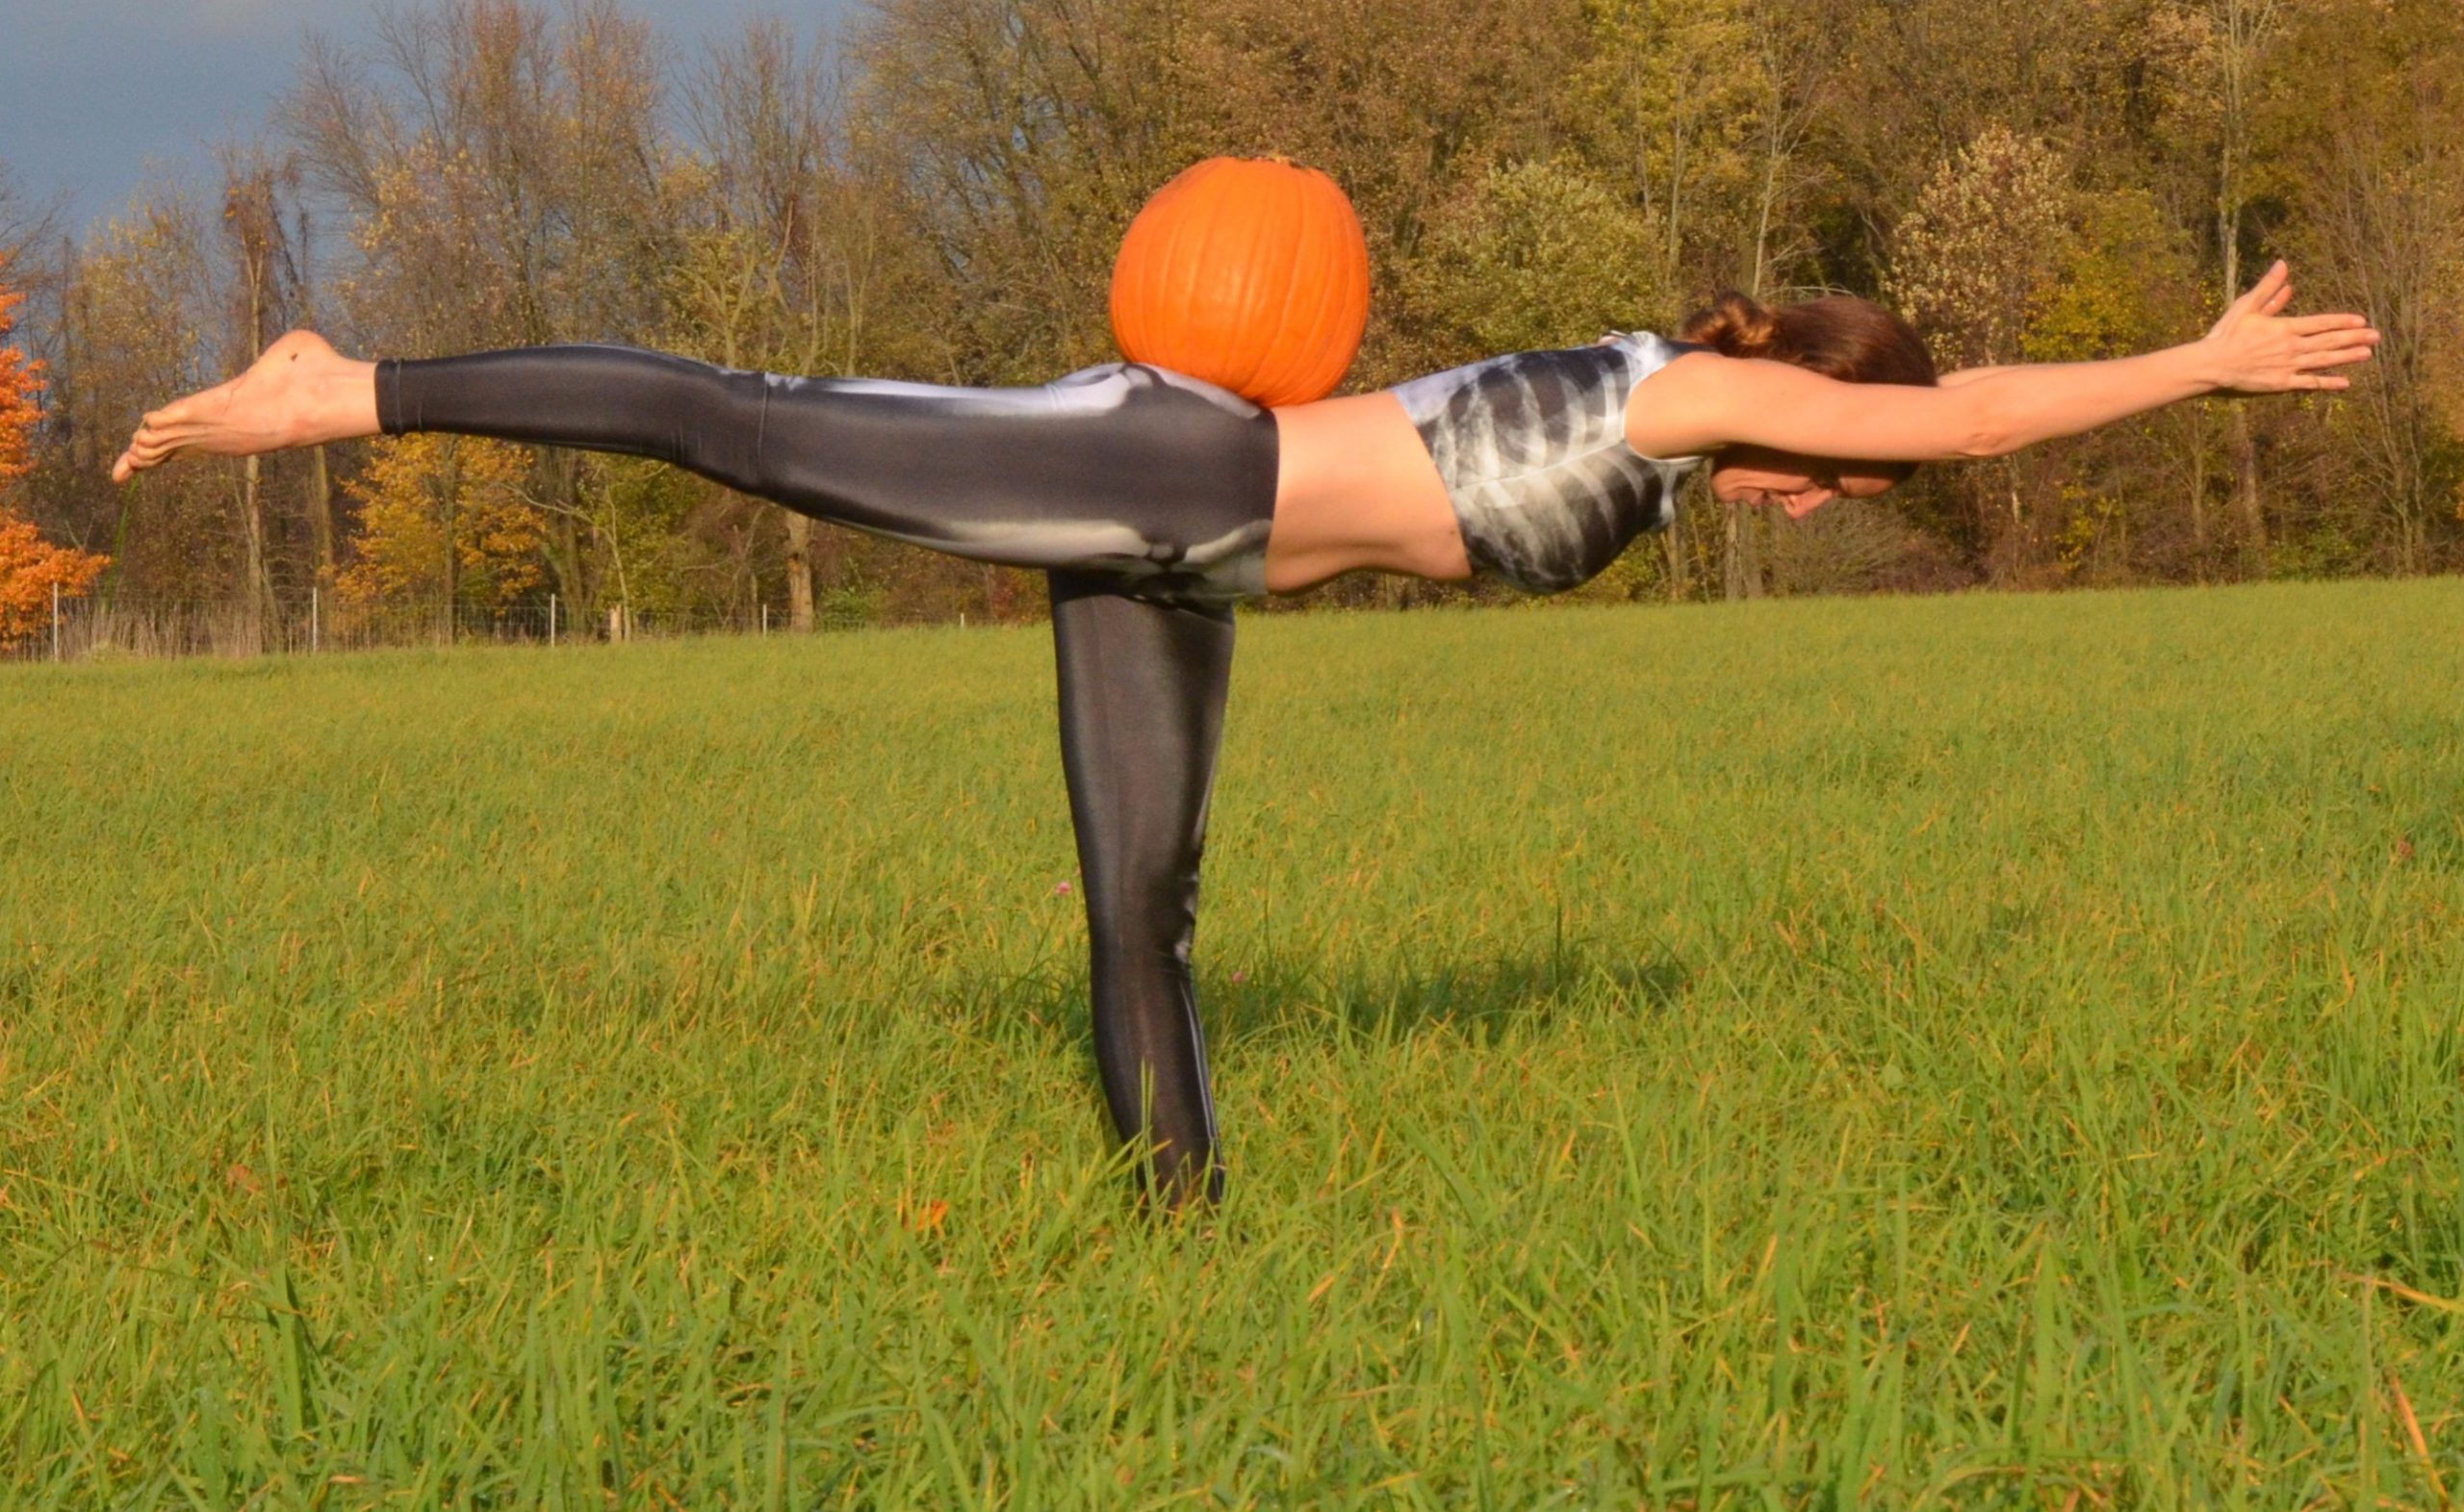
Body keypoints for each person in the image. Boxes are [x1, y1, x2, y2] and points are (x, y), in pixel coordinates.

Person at [111, 259, 2376, 1206]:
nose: (1820, 501)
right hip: (1166, 471)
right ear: (1817, 407)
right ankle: (350, 385)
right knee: (751, 423)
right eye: (1837, 475)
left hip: (1180, 552)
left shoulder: (1668, 436)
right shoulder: (1687, 395)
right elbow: (1964, 417)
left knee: (1144, 909)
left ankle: (1175, 1235)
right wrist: (2190, 367)